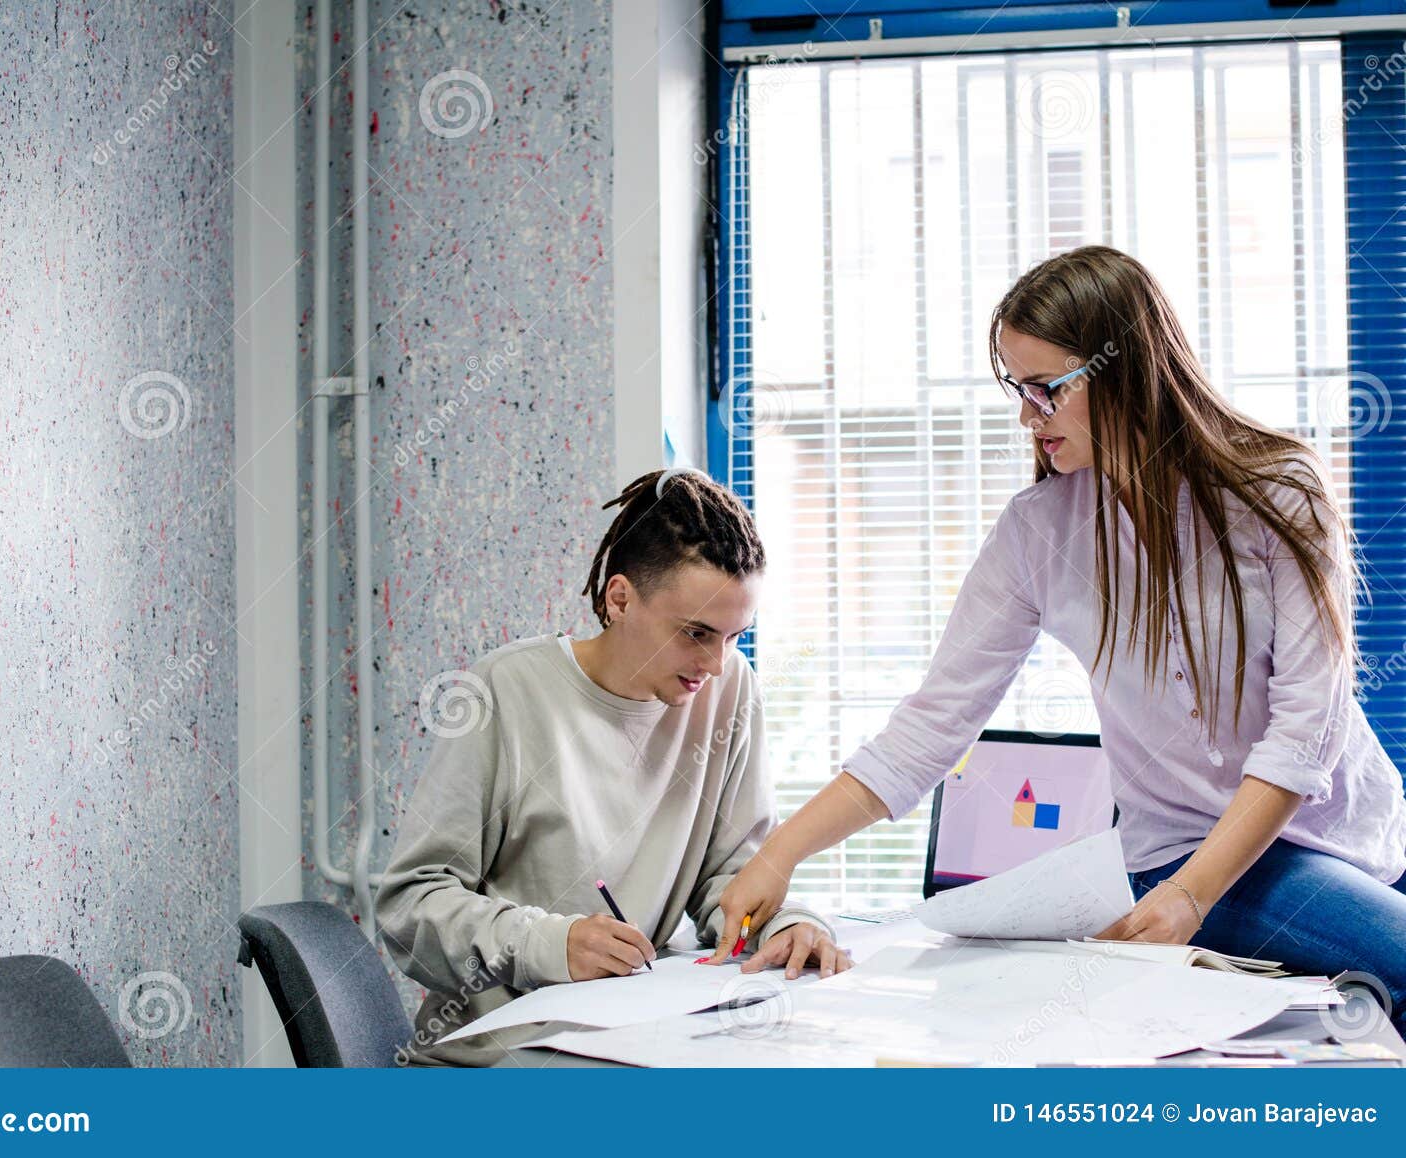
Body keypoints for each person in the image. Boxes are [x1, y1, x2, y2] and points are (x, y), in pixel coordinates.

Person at [710, 245, 1406, 1036]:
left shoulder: (1280, 492)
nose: (1025, 416)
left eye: (1047, 389)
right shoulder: (1038, 534)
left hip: (1354, 832)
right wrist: (779, 855)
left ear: (1127, 371)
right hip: (1192, 854)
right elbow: (931, 726)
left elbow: (1305, 730)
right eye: (1018, 388)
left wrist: (1189, 899)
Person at [377, 468, 850, 1066]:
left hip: (635, 1045)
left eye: (736, 636)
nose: (716, 661)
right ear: (619, 599)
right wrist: (550, 943)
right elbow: (409, 904)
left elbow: (730, 878)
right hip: (497, 1063)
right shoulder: (505, 691)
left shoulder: (729, 690)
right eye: (696, 632)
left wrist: (781, 924)